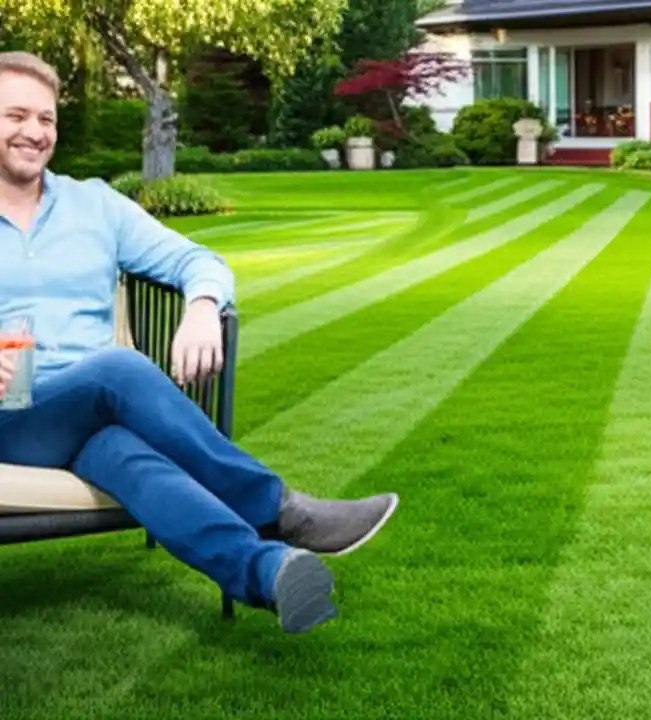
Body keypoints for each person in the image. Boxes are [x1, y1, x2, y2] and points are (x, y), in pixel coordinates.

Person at [0, 51, 397, 634]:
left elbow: (195, 260)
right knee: (117, 370)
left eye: (47, 119)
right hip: (11, 413)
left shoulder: (95, 205)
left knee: (124, 456)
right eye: (17, 116)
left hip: (87, 416)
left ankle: (270, 572)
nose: (35, 132)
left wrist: (203, 308)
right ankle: (279, 509)